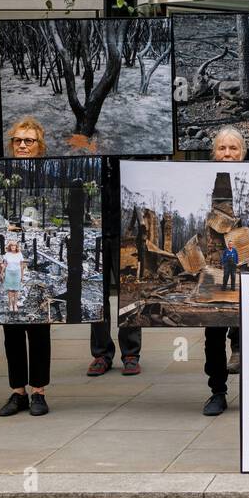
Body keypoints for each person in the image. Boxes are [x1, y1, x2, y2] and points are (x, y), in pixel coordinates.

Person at [0, 117, 52, 417]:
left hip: (41, 257)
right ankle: (17, 390)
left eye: (28, 140)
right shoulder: (2, 176)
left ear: (39, 145)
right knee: (12, 326)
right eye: (18, 140)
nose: (22, 145)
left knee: (39, 326)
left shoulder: (47, 175)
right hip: (11, 258)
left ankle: (39, 391)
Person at [203, 125, 247, 416]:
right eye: (222, 148)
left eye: (233, 148)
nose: (227, 153)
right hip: (217, 262)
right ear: (213, 153)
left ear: (243, 154)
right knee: (213, 329)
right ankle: (217, 390)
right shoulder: (207, 181)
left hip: (245, 260)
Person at [88, 152, 143, 378]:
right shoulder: (91, 157)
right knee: (96, 296)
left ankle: (131, 354)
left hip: (126, 233)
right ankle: (101, 354)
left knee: (129, 293)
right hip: (97, 232)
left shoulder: (133, 157)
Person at [3, 240, 25, 313]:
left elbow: (22, 266)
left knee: (16, 290)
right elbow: (5, 264)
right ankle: (10, 304)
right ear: (10, 247)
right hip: (9, 273)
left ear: (16, 247)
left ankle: (15, 304)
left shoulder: (19, 254)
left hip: (17, 273)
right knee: (10, 290)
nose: (13, 247)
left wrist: (22, 276)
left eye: (14, 246)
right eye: (11, 246)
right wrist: (1, 272)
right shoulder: (7, 254)